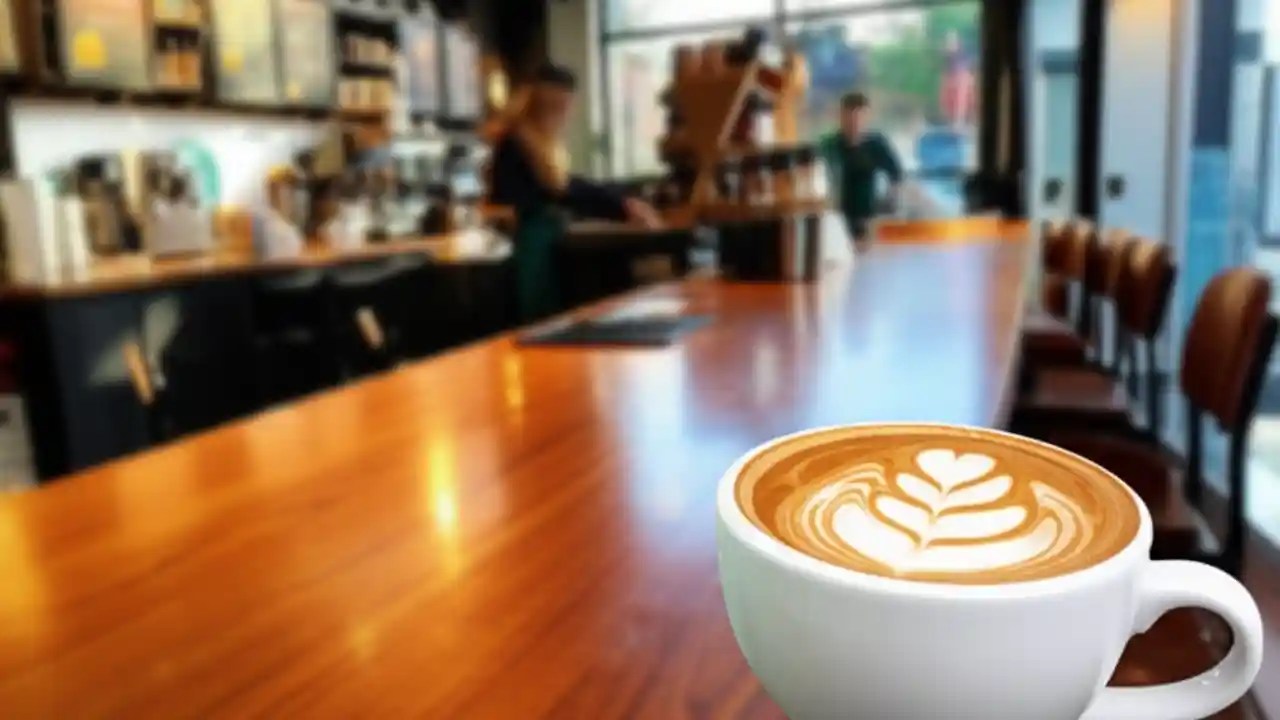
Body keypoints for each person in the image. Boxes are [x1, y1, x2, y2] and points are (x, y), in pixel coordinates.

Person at [490, 64, 660, 322]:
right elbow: (565, 190)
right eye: (563, 107)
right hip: (531, 244)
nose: (567, 115)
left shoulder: (530, 140)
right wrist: (622, 205)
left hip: (538, 238)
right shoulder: (522, 142)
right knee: (539, 322)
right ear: (546, 105)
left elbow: (569, 186)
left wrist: (623, 200)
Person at [817, 92, 903, 247]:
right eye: (850, 118)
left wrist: (888, 203)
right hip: (835, 218)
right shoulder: (829, 147)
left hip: (867, 220)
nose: (854, 124)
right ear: (841, 117)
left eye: (859, 119)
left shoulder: (876, 145)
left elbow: (896, 174)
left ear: (866, 118)